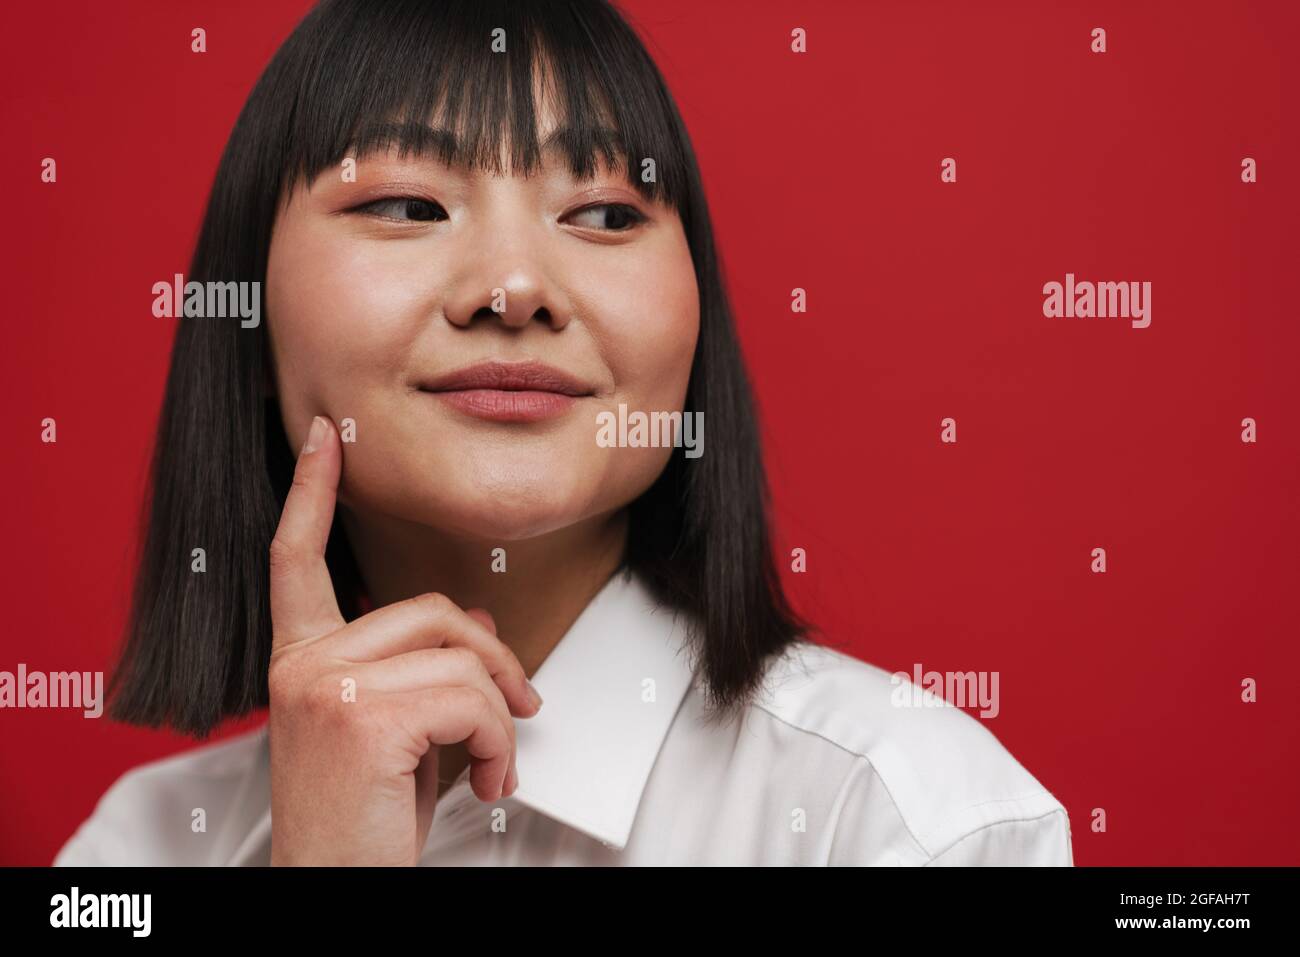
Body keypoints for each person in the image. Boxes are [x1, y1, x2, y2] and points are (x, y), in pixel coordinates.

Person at [54, 0, 1072, 866]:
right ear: (248, 302)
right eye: (408, 204)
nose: (513, 287)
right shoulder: (140, 848)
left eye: (606, 214)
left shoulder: (905, 820)